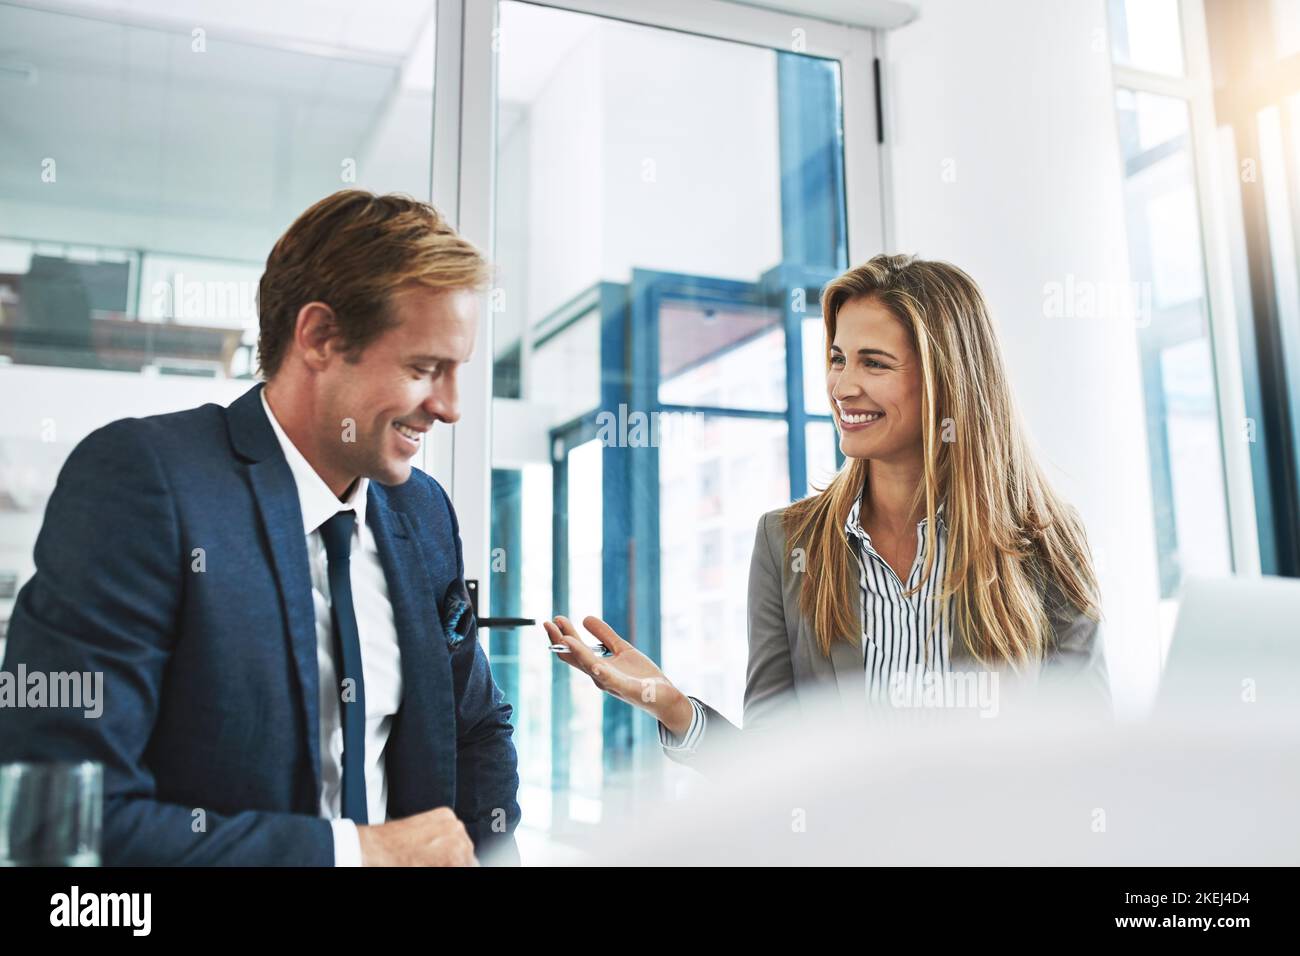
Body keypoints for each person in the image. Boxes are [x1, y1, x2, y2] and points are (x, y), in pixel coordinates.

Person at [0, 190, 521, 865]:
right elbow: (62, 822)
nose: (448, 407)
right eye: (425, 369)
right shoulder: (144, 483)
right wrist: (358, 855)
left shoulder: (423, 512)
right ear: (320, 338)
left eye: (457, 373)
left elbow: (474, 727)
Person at [544, 253, 1111, 769]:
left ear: (947, 381)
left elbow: (1086, 753)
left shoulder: (1042, 541)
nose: (842, 385)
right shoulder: (786, 544)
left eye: (875, 364)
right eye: (838, 358)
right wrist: (675, 710)